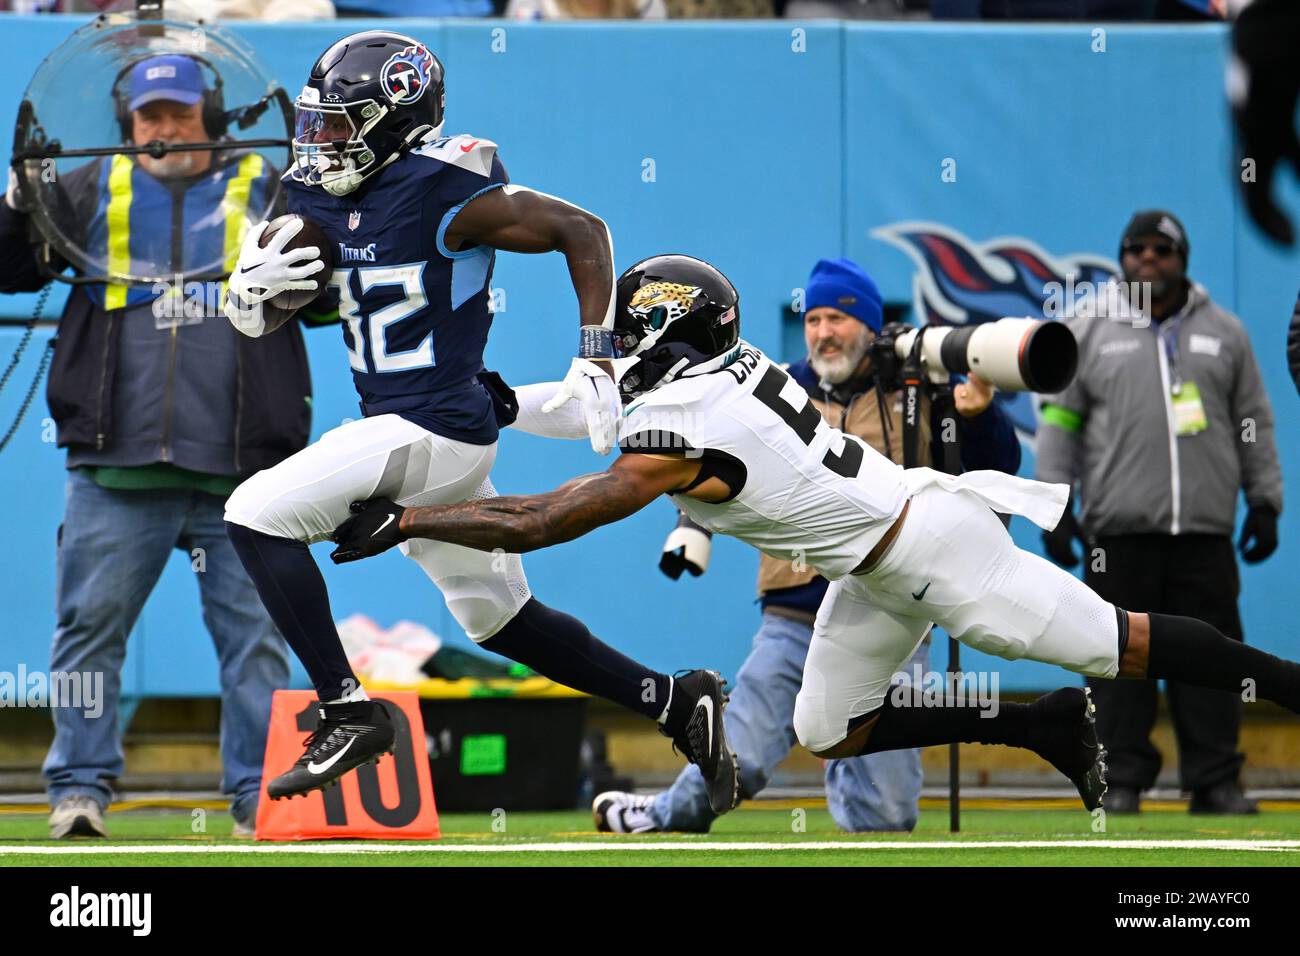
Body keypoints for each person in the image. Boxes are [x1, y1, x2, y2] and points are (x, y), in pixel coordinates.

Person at [332, 252, 1300, 816]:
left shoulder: (693, 426)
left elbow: (546, 518)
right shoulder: (723, 369)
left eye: (631, 332)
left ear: (668, 336)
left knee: (1124, 643)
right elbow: (593, 400)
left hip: (935, 554)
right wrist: (503, 405)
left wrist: (412, 518)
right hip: (872, 565)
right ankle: (1039, 722)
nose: (617, 350)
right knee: (824, 727)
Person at [220, 31, 739, 814]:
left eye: (338, 123)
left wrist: (594, 356)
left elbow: (583, 230)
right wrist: (247, 300)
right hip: (407, 428)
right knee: (502, 622)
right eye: (315, 122)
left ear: (396, 118)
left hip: (437, 428)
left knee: (254, 515)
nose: (319, 141)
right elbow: (301, 309)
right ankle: (673, 700)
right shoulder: (311, 190)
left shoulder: (442, 185)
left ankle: (346, 707)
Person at [593, 257, 1020, 834]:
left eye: (837, 318)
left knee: (887, 813)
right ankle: (659, 815)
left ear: (869, 325)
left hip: (890, 605)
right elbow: (695, 455)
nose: (823, 331)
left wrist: (980, 416)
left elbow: (996, 471)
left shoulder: (915, 388)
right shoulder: (774, 382)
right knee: (736, 757)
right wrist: (691, 530)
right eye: (814, 318)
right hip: (796, 604)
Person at [0, 53, 297, 839]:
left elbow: (331, 290)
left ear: (214, 116)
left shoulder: (270, 187)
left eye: (179, 114)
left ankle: (257, 800)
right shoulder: (88, 185)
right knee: (87, 633)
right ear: (127, 125)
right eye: (148, 117)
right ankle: (78, 791)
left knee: (258, 644)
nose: (164, 130)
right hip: (115, 470)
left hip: (248, 475)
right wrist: (13, 200)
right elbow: (8, 268)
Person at [1037, 210, 1282, 814]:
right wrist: (1056, 506)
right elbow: (1059, 423)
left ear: (1184, 258)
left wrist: (1265, 499)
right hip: (1118, 533)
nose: (1148, 259)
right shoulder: (1087, 329)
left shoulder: (1225, 332)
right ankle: (1119, 779)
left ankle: (1215, 780)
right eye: (1136, 248)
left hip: (1204, 534)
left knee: (1213, 662)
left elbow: (1253, 422)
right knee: (1116, 661)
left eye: (1162, 250)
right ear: (1122, 258)